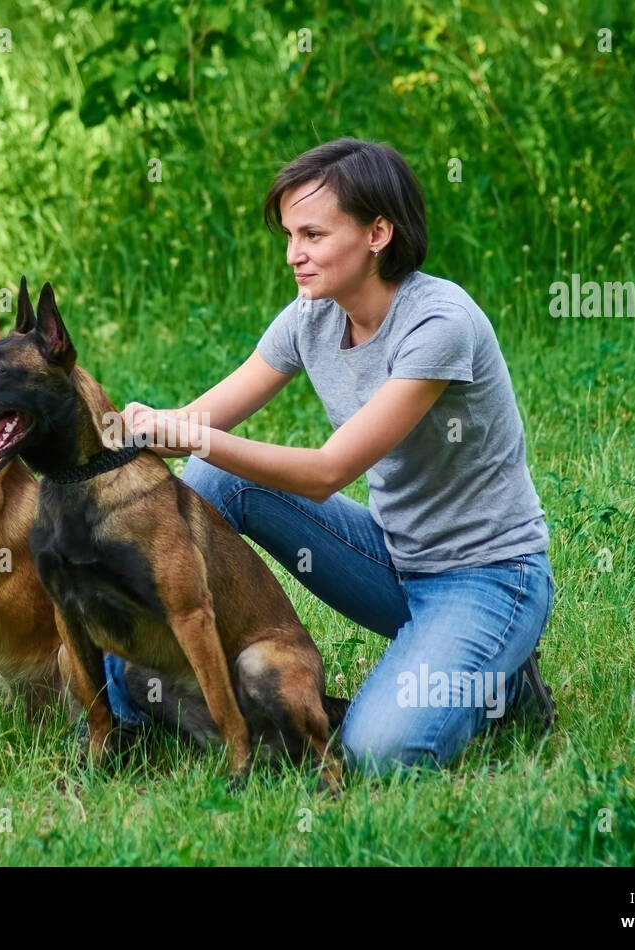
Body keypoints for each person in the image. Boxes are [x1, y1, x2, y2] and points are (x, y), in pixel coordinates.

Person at [115, 138, 556, 777]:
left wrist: (194, 437)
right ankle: (153, 689)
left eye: (313, 234)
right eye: (291, 235)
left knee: (382, 754)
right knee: (212, 480)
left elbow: (328, 473)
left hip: (487, 577)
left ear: (378, 232)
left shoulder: (439, 323)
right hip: (393, 559)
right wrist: (130, 427)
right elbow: (202, 421)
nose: (295, 254)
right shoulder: (312, 315)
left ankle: (506, 684)